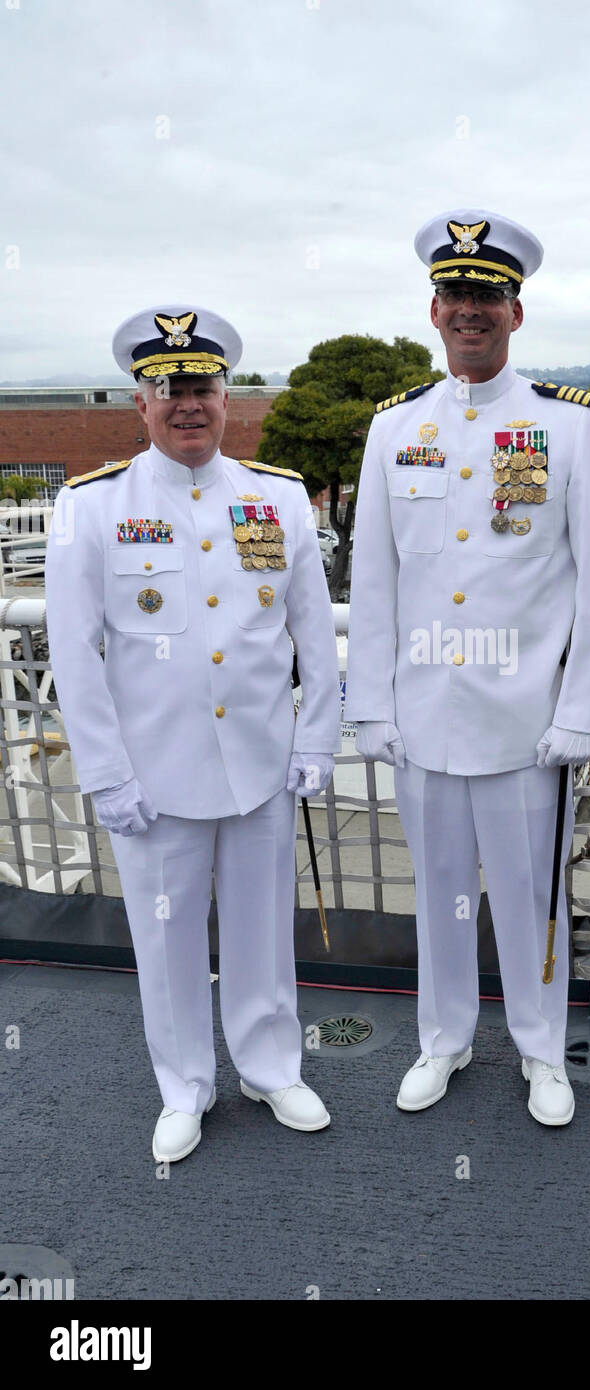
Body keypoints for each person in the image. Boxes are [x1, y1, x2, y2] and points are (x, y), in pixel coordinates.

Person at [45, 305, 341, 1162]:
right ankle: (183, 1085)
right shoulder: (92, 506)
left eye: (202, 387)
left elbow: (312, 637)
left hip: (259, 763)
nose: (187, 404)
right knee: (166, 938)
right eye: (167, 388)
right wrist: (105, 774)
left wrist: (315, 740)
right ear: (139, 402)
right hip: (154, 772)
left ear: (227, 398)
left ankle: (271, 1066)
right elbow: (75, 651)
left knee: (260, 927)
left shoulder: (275, 498)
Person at [345, 210, 590, 1126]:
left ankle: (544, 1052)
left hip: (525, 722)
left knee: (533, 899)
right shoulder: (395, 430)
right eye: (457, 295)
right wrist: (371, 706)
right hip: (425, 715)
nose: (472, 311)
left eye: (488, 296)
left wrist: (580, 711)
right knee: (442, 898)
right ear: (434, 309)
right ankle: (445, 1040)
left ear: (516, 311)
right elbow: (374, 578)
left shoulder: (572, 428)